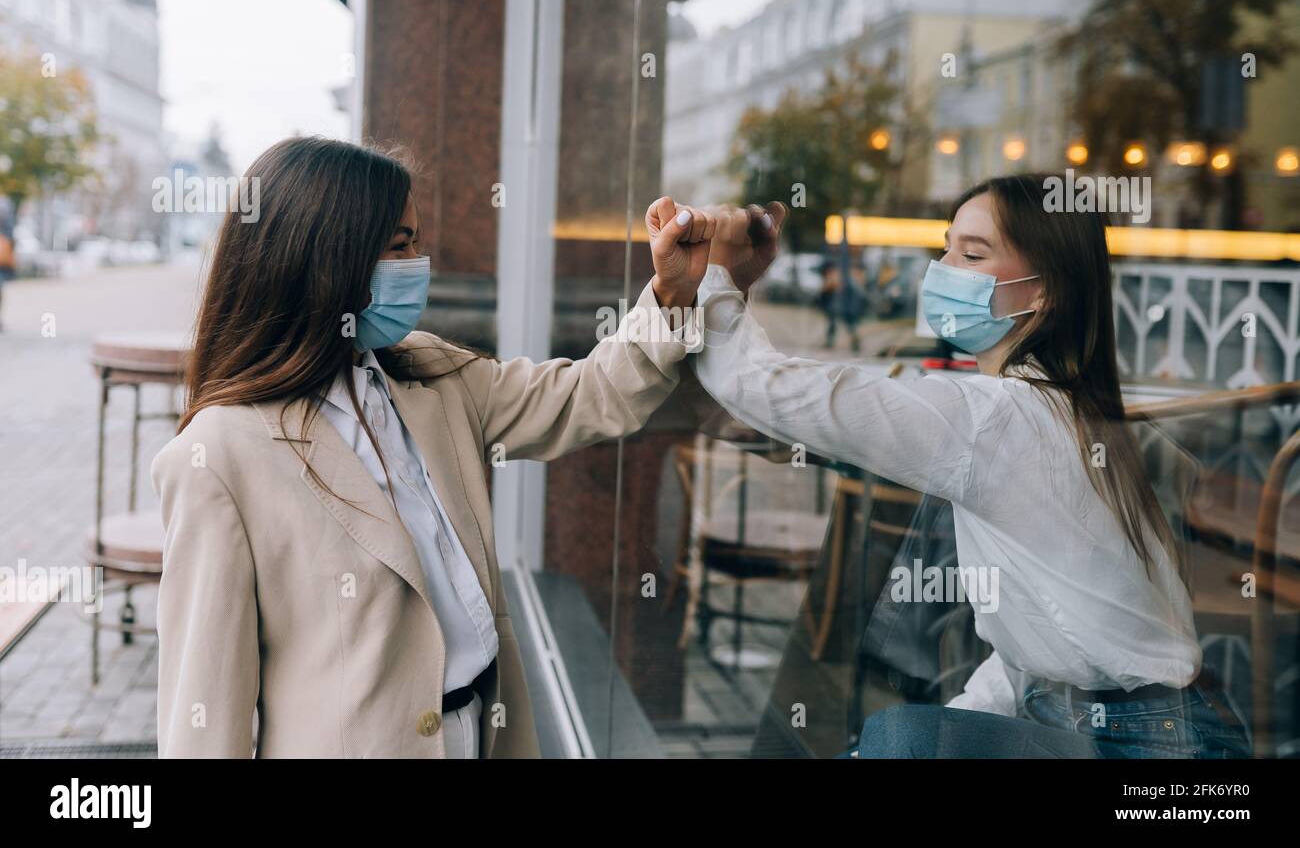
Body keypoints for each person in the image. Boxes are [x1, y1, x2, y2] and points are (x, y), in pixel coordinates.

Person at [151, 136, 715, 758]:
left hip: (482, 732)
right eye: (398, 246)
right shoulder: (218, 458)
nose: (418, 263)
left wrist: (670, 294)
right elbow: (203, 724)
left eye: (416, 241)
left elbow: (587, 396)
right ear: (324, 260)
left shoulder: (429, 374)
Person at [690, 176, 1251, 759]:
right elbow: (1029, 660)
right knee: (896, 742)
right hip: (1143, 729)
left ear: (1044, 292)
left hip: (1152, 749)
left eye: (972, 254)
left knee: (897, 737)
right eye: (947, 246)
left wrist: (720, 277)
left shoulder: (1002, 417)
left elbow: (773, 392)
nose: (944, 268)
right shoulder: (1063, 411)